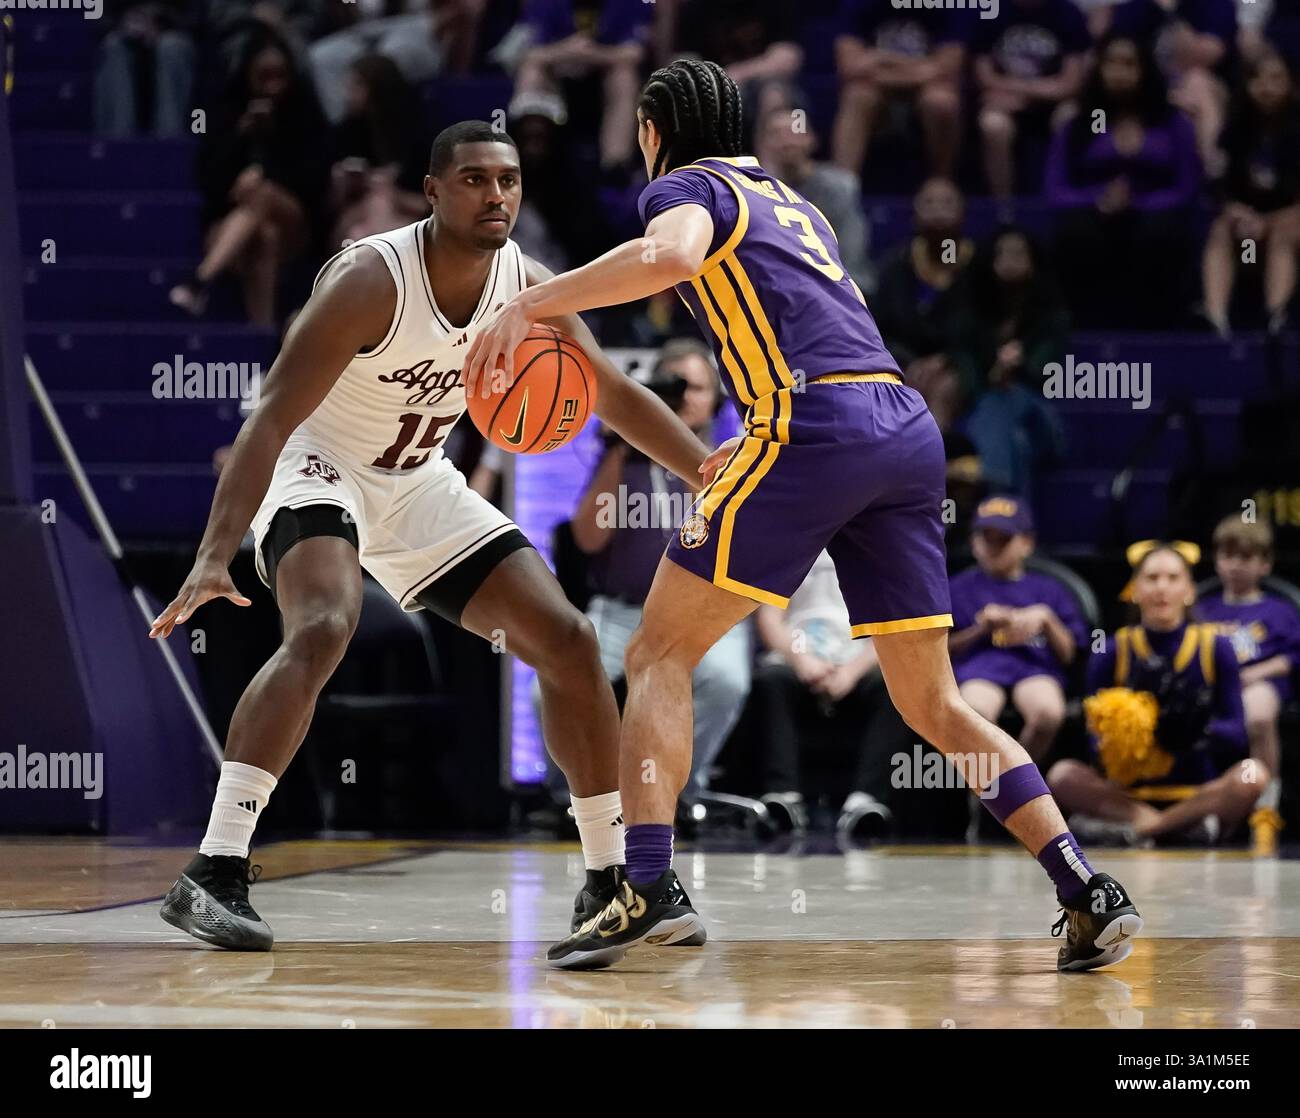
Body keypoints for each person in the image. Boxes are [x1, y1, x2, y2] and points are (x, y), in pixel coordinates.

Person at [466, 58, 1143, 974]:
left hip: (810, 418)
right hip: (904, 428)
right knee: (931, 702)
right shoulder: (795, 201)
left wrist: (531, 300)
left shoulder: (683, 185)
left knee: (656, 655)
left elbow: (666, 258)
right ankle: (1085, 888)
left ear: (654, 132)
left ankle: (647, 888)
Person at [148, 121, 711, 952]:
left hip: (417, 480)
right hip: (318, 464)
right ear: (434, 190)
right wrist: (211, 552)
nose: (498, 196)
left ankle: (613, 883)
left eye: (510, 181)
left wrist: (706, 471)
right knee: (325, 623)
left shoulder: (527, 284)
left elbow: (615, 399)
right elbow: (271, 415)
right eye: (477, 180)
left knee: (568, 638)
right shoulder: (373, 278)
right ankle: (215, 869)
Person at [557, 339, 751, 820]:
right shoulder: (622, 458)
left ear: (717, 401)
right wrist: (620, 447)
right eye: (674, 388)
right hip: (622, 608)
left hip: (699, 611)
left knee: (726, 680)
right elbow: (587, 538)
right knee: (556, 680)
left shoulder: (728, 458)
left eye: (697, 389)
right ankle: (577, 796)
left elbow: (728, 535)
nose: (685, 398)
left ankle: (680, 789)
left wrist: (689, 457)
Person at [1049, 542, 1260, 846]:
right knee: (1061, 775)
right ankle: (1173, 827)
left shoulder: (1217, 648)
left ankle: (1143, 830)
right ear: (1135, 588)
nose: (1162, 587)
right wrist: (1139, 736)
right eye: (1152, 578)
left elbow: (1238, 732)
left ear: (1189, 589)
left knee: (1253, 774)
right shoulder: (1112, 651)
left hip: (1197, 792)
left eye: (1173, 578)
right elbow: (1093, 739)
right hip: (1127, 794)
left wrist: (1196, 732)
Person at [169, 28, 329, 326]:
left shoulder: (304, 114)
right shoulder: (226, 113)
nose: (272, 84)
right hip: (235, 223)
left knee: (263, 194)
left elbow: (314, 182)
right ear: (248, 73)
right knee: (265, 236)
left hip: (294, 219)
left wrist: (268, 166)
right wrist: (241, 135)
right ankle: (263, 337)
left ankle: (201, 280)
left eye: (279, 75)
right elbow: (209, 184)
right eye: (264, 75)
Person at [1045, 33, 1202, 327]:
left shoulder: (1172, 122)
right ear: (1099, 69)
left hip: (1154, 216)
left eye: (1129, 64)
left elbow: (1186, 187)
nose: (1119, 72)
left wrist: (1138, 202)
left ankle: (1159, 327)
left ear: (1144, 70)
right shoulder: (1080, 122)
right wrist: (1099, 201)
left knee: (1163, 234)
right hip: (1095, 216)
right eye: (1111, 63)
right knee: (1075, 234)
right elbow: (1056, 190)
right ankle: (1082, 326)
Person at [753, 550, 902, 842]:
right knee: (771, 680)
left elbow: (891, 624)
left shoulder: (879, 544)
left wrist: (850, 671)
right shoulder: (789, 542)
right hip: (797, 655)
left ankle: (865, 801)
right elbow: (769, 617)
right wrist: (802, 659)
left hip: (858, 660)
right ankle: (784, 796)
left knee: (895, 687)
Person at [949, 497, 1086, 763]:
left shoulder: (1050, 589)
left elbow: (1070, 654)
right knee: (975, 712)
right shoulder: (956, 588)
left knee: (1047, 712)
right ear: (973, 542)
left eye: (1003, 539)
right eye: (987, 538)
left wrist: (1047, 620)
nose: (994, 547)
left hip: (1035, 667)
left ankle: (1013, 787)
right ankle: (995, 791)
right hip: (979, 668)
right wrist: (980, 629)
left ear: (1026, 543)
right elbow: (940, 650)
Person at [1196, 517, 1299, 848]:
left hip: (1262, 683)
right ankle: (1201, 806)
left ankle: (1266, 805)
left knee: (1257, 714)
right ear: (1216, 560)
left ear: (1265, 563)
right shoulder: (1202, 610)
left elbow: (1292, 658)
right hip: (1213, 686)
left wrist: (1255, 673)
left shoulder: (1279, 610)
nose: (1235, 566)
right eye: (1228, 556)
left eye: (1246, 557)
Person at [955, 225, 1068, 492]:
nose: (1010, 261)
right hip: (991, 424)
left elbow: (1044, 373)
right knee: (1017, 444)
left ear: (1033, 261)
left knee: (1002, 398)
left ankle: (992, 482)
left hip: (1043, 421)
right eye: (1002, 254)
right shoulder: (971, 313)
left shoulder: (1052, 314)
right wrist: (994, 373)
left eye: (1018, 254)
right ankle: (1011, 521)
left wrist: (1013, 369)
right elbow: (965, 370)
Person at [1201, 50, 1300, 337]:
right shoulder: (1235, 129)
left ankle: (1276, 319)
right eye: (1257, 79)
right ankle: (1216, 320)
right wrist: (1234, 210)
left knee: (1284, 234)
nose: (1266, 87)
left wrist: (1267, 223)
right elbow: (1219, 185)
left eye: (1275, 78)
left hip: (1288, 225)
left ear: (1291, 84)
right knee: (1220, 230)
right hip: (1249, 243)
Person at [872, 177, 976, 433]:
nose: (938, 210)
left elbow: (983, 332)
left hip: (964, 365)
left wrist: (946, 360)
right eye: (929, 203)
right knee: (902, 388)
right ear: (914, 214)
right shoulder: (895, 266)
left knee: (942, 388)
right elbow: (877, 328)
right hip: (902, 363)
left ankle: (933, 467)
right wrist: (907, 363)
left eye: (947, 203)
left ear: (963, 212)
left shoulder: (978, 269)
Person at [830, 0, 969, 179]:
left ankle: (942, 183)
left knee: (941, 101)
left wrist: (881, 58)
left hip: (923, 89)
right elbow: (850, 67)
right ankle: (841, 187)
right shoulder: (858, 4)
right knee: (857, 95)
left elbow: (947, 69)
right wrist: (920, 68)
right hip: (878, 91)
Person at [753, 98, 874, 296]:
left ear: (811, 139)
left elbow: (850, 255)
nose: (786, 141)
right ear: (765, 145)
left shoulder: (839, 187)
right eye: (776, 134)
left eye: (793, 131)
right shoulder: (756, 192)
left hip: (838, 290)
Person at [971, 0, 1090, 199]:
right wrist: (1031, 92)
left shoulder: (1068, 13)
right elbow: (984, 77)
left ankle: (1064, 196)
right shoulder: (990, 10)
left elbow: (1071, 83)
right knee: (993, 124)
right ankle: (1003, 206)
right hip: (1006, 101)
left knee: (1070, 117)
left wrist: (1024, 94)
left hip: (1053, 103)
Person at [328, 54, 431, 248]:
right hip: (358, 213)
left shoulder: (417, 137)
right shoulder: (346, 132)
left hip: (408, 216)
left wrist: (390, 192)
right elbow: (329, 206)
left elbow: (431, 205)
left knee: (377, 210)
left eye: (356, 86)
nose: (348, 94)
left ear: (378, 90)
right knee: (361, 226)